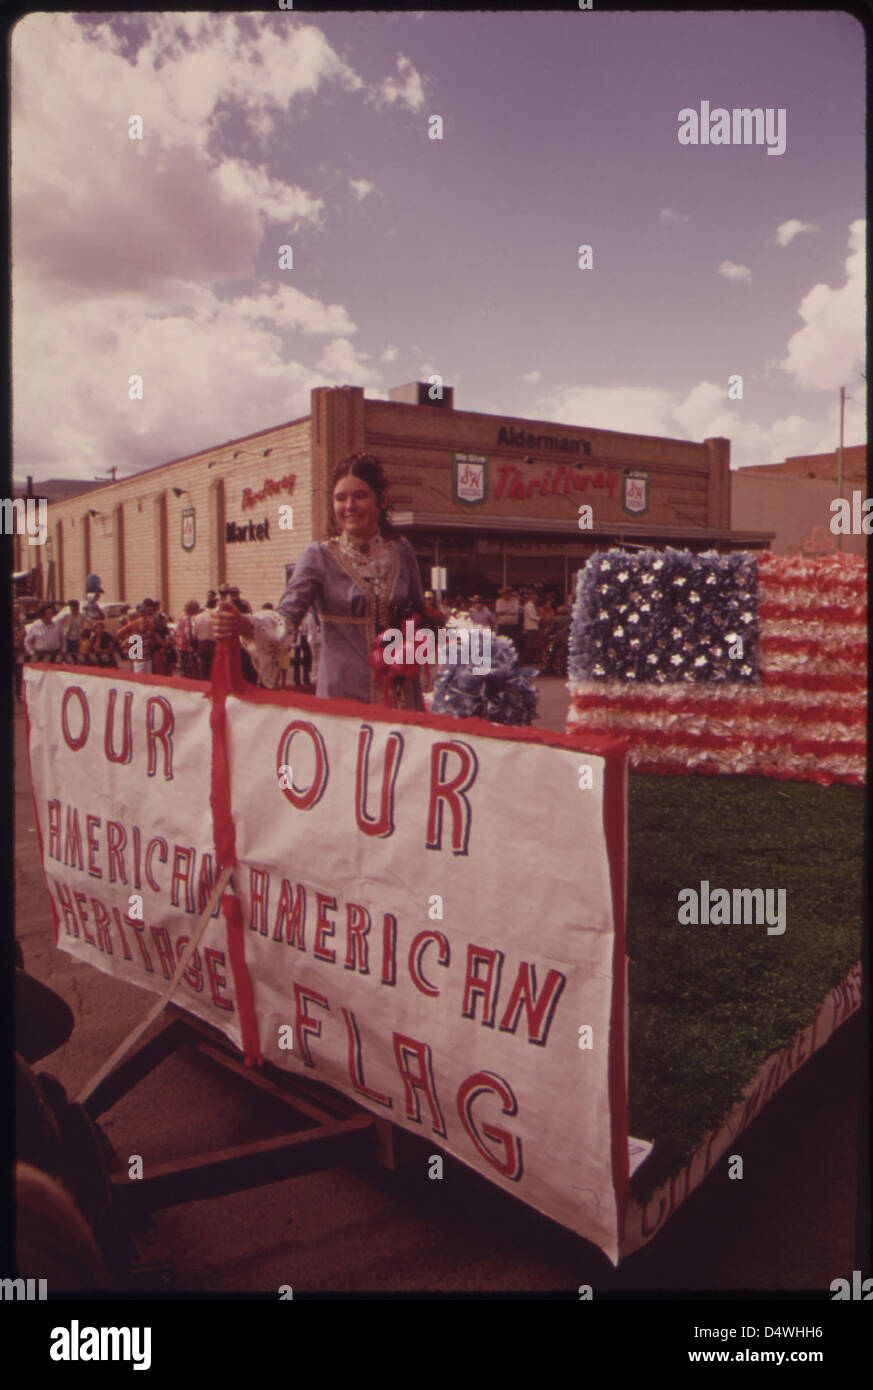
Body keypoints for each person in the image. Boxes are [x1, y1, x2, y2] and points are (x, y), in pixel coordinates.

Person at [212, 453, 426, 707]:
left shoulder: (402, 551)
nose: (349, 506)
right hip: (343, 697)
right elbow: (285, 618)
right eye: (340, 498)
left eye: (360, 496)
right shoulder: (319, 556)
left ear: (381, 500)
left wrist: (411, 656)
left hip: (401, 699)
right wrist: (242, 624)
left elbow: (420, 620)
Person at [174, 600, 200, 679]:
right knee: (186, 668)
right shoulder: (188, 619)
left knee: (181, 666)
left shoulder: (181, 617)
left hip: (179, 644)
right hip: (185, 646)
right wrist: (192, 644)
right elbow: (187, 633)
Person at [495, 586, 521, 650]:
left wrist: (504, 611)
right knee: (501, 642)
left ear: (510, 594)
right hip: (502, 626)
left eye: (507, 593)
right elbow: (498, 611)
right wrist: (509, 608)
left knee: (512, 642)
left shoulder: (515, 601)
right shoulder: (499, 601)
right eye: (504, 593)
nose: (506, 595)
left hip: (512, 626)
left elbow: (515, 611)